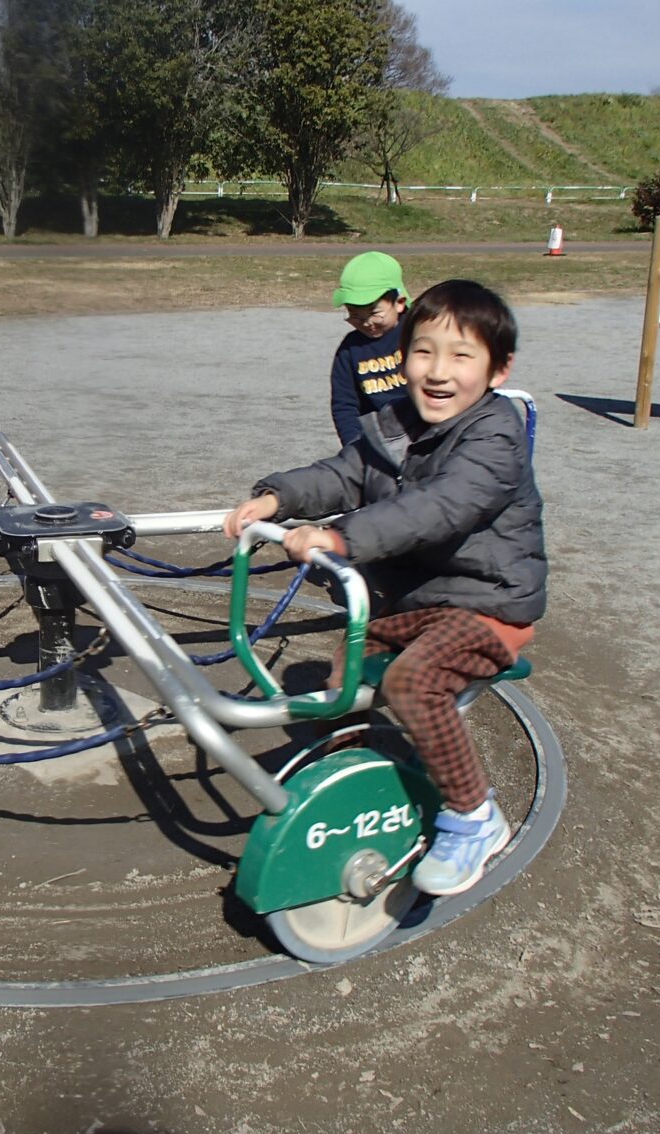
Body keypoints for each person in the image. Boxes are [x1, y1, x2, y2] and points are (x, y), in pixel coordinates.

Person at [224, 279, 546, 898]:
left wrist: (340, 538)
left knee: (411, 681)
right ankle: (350, 776)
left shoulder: (494, 438)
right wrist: (278, 497)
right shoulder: (394, 422)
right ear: (403, 356)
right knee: (346, 672)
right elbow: (344, 473)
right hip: (415, 602)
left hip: (487, 604)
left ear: (498, 370)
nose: (438, 372)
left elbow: (439, 509)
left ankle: (474, 817)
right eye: (423, 352)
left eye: (461, 356)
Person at [329, 251, 410, 447]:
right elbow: (345, 405)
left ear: (399, 303)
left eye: (374, 313)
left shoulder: (418, 334)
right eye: (355, 315)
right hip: (379, 440)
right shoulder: (351, 349)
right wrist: (355, 448)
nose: (366, 323)